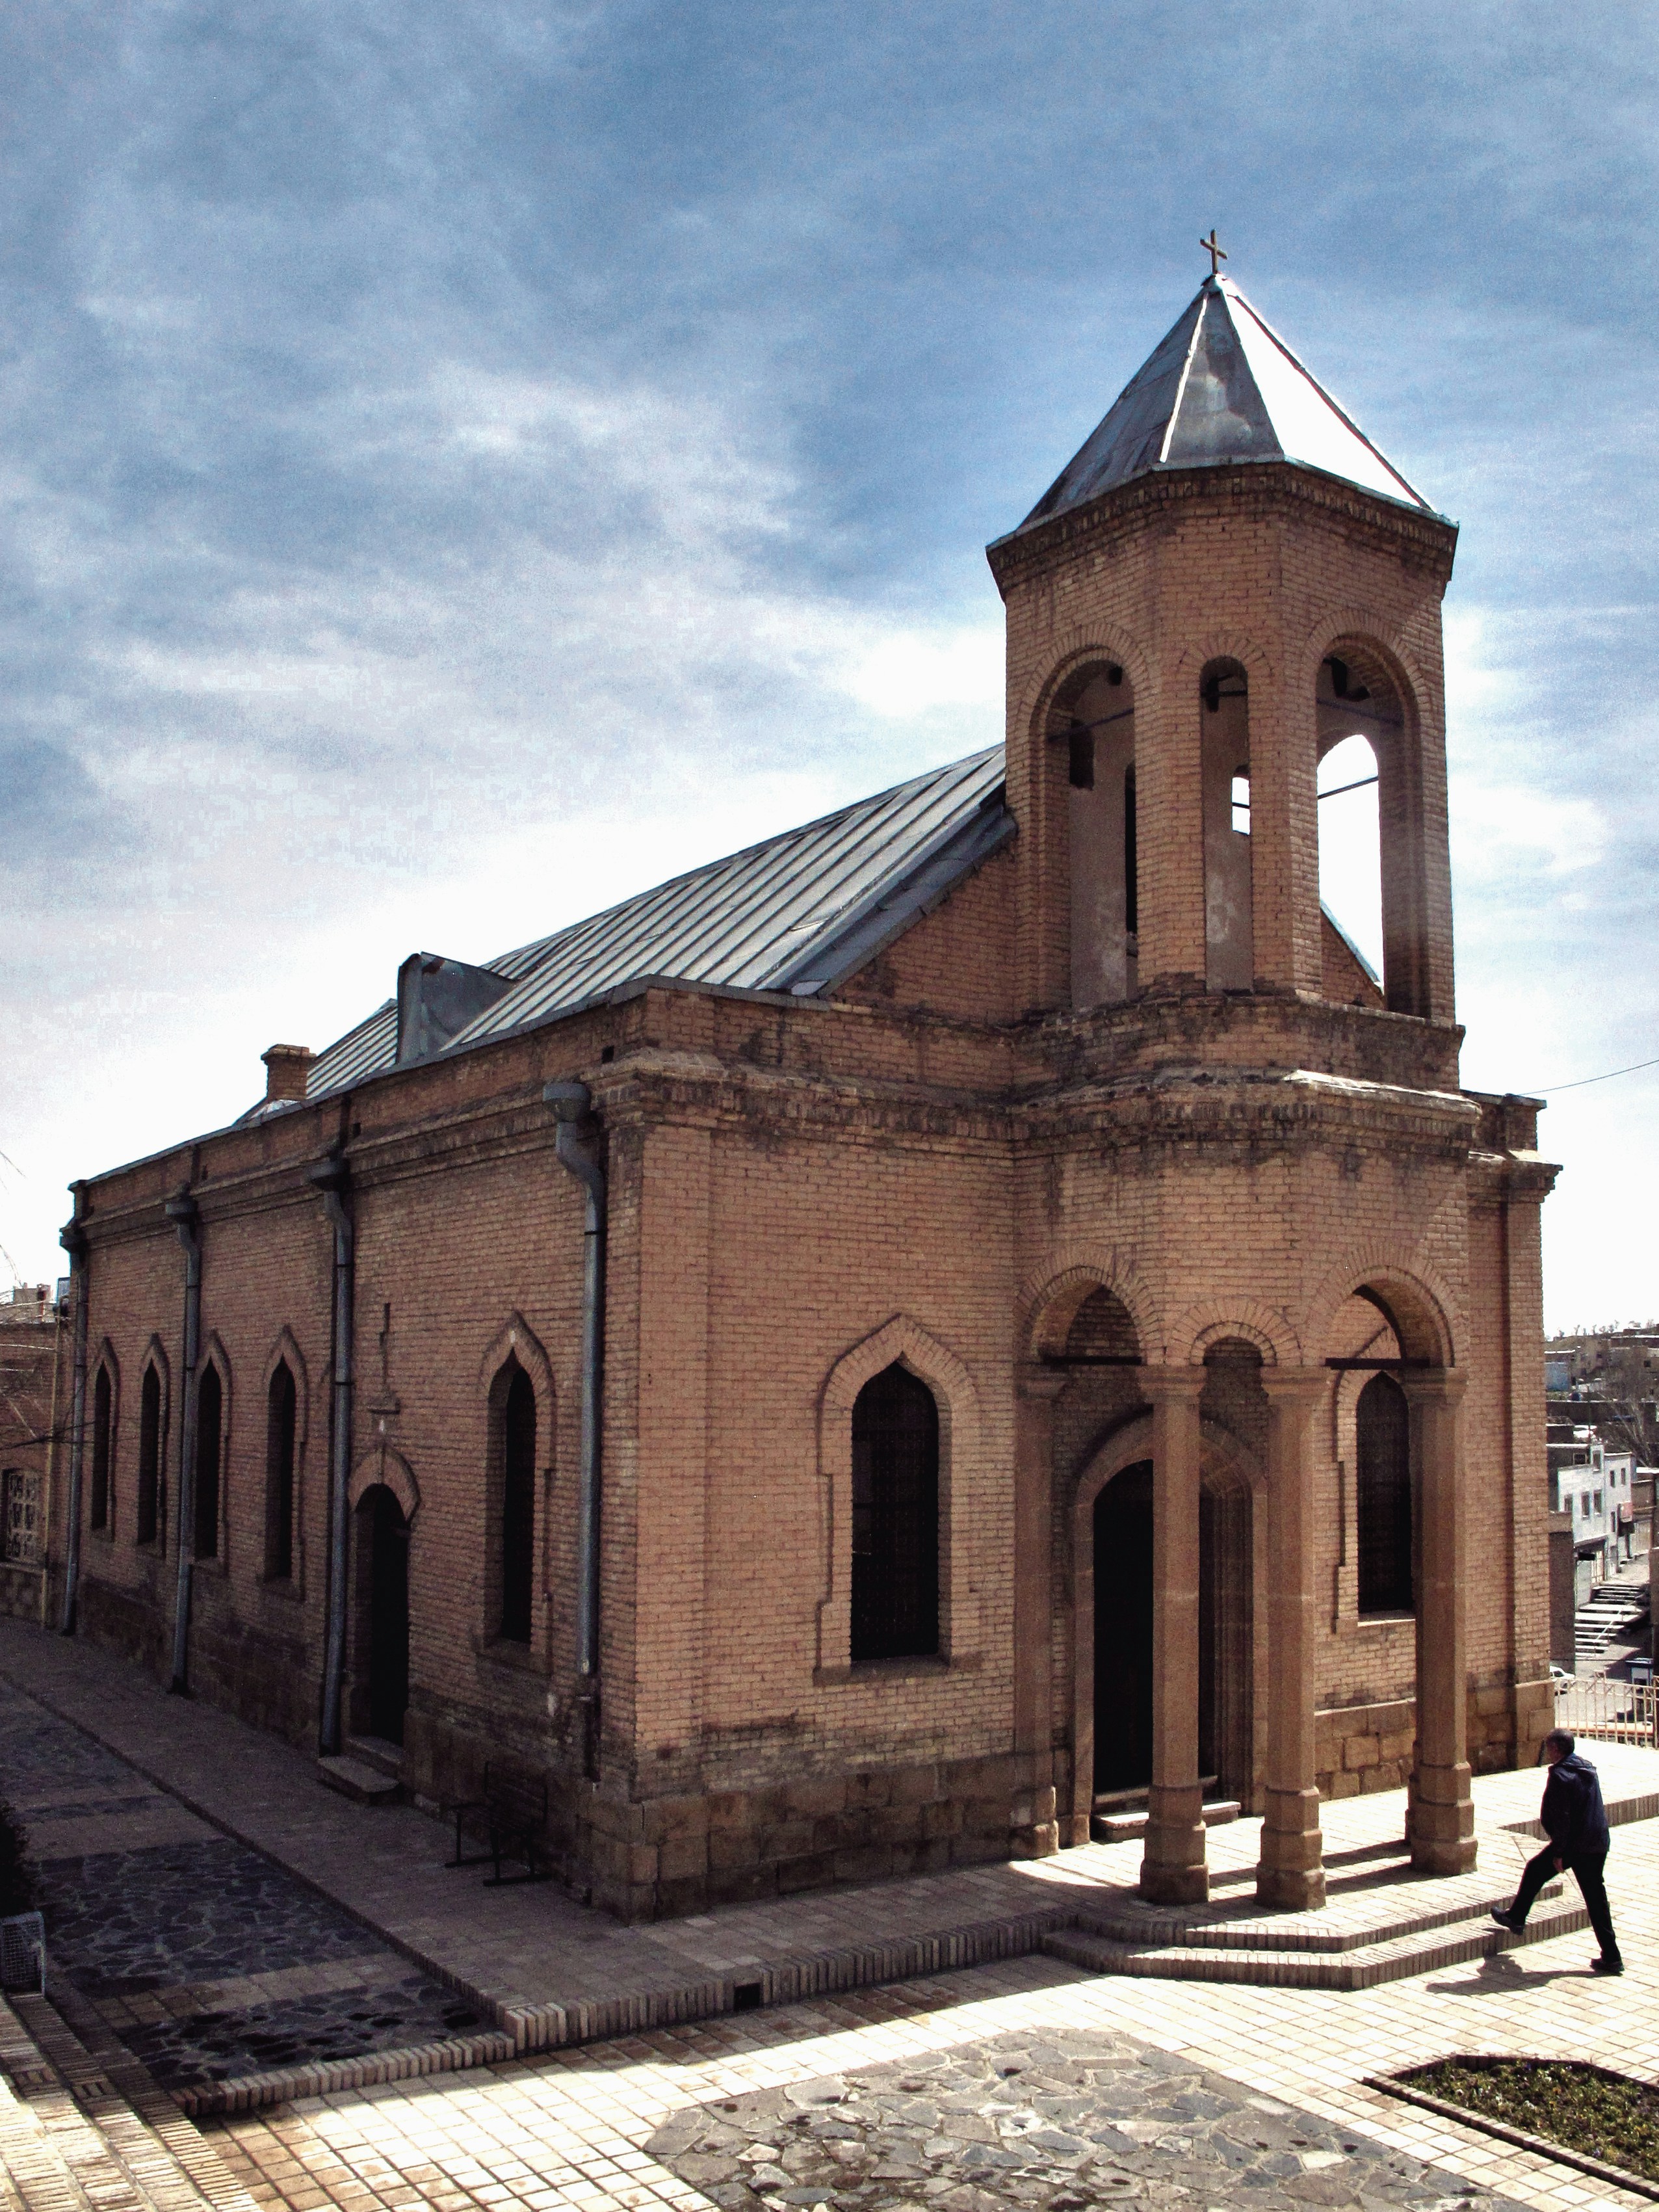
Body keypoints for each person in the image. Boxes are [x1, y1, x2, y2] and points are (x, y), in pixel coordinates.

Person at [1491, 1730, 1623, 1975]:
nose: (1547, 1752)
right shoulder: (1586, 1768)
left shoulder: (1561, 1776)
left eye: (1549, 1748)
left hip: (1576, 1845)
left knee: (1535, 1870)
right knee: (1596, 1899)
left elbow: (1563, 1819)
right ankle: (1612, 1957)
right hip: (1597, 1841)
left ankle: (1517, 1918)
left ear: (1556, 1750)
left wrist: (1560, 1853)